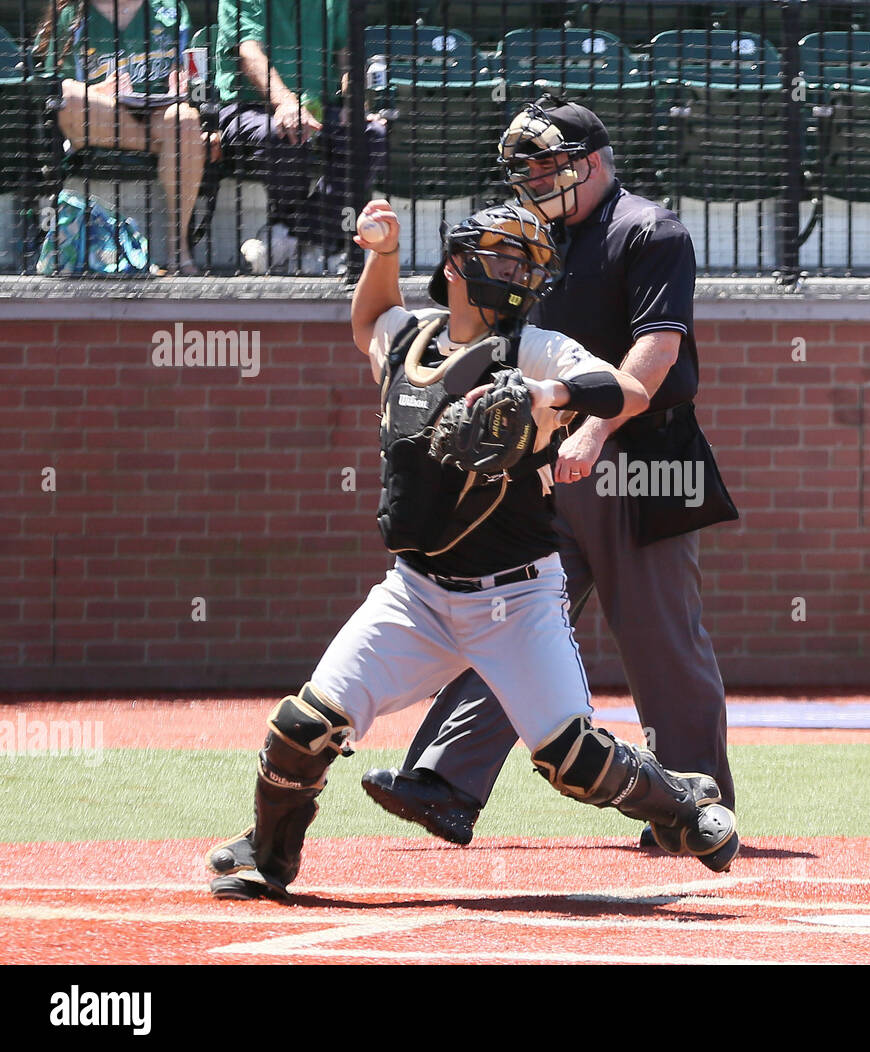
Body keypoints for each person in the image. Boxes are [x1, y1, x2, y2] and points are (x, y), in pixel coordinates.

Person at [204, 198, 740, 900]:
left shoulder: (532, 346)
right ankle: (270, 853)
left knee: (571, 760)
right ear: (456, 263)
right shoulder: (408, 339)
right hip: (415, 593)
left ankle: (683, 804)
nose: (518, 273)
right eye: (504, 256)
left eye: (528, 262)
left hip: (514, 597)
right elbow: (370, 319)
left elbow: (624, 385)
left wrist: (546, 391)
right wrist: (384, 256)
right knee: (302, 726)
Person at [359, 96, 737, 849]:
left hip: (641, 458)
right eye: (522, 166)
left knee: (660, 638)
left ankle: (693, 805)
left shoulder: (648, 231)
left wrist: (596, 428)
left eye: (545, 164)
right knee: (507, 614)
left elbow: (656, 354)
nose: (530, 178)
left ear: (588, 162)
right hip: (538, 461)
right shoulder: (525, 240)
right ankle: (445, 780)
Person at [36, 0, 210, 274]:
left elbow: (195, 72)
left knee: (186, 120)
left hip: (159, 114)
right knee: (68, 95)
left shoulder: (171, 9)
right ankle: (168, 146)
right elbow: (51, 88)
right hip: (101, 116)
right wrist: (97, 91)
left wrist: (186, 83)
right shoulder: (71, 15)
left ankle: (179, 250)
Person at [213, 0, 386, 273]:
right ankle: (310, 241)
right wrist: (285, 102)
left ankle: (289, 236)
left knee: (371, 136)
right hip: (251, 107)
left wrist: (354, 103)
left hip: (320, 107)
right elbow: (249, 52)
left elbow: (346, 55)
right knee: (284, 132)